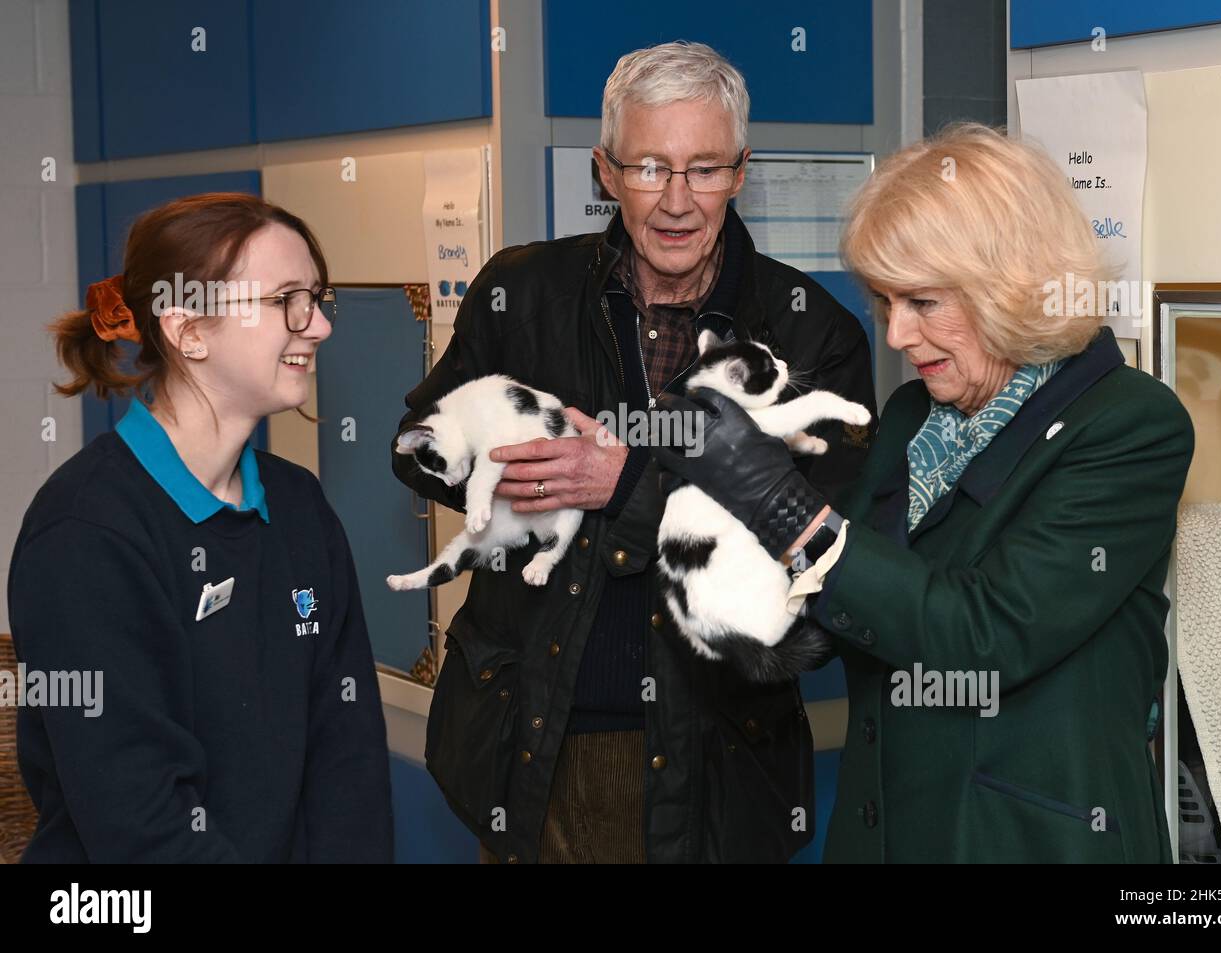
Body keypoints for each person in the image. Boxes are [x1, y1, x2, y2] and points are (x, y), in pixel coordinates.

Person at [654, 124, 1194, 863]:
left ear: (1011, 283)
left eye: (924, 302)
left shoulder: (1128, 424)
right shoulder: (916, 415)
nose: (899, 334)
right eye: (884, 301)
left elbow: (986, 635)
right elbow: (859, 607)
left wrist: (783, 507)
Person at [392, 41, 876, 863]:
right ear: (606, 172)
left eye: (705, 169)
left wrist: (626, 486)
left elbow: (823, 559)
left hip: (719, 762)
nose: (677, 200)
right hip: (523, 743)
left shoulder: (808, 330)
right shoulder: (521, 292)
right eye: (650, 167)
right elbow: (414, 448)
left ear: (741, 171)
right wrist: (525, 467)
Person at [9, 192, 393, 862]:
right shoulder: (85, 533)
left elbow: (349, 763)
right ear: (189, 331)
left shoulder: (299, 506)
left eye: (317, 296)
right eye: (287, 300)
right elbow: (139, 821)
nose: (320, 325)